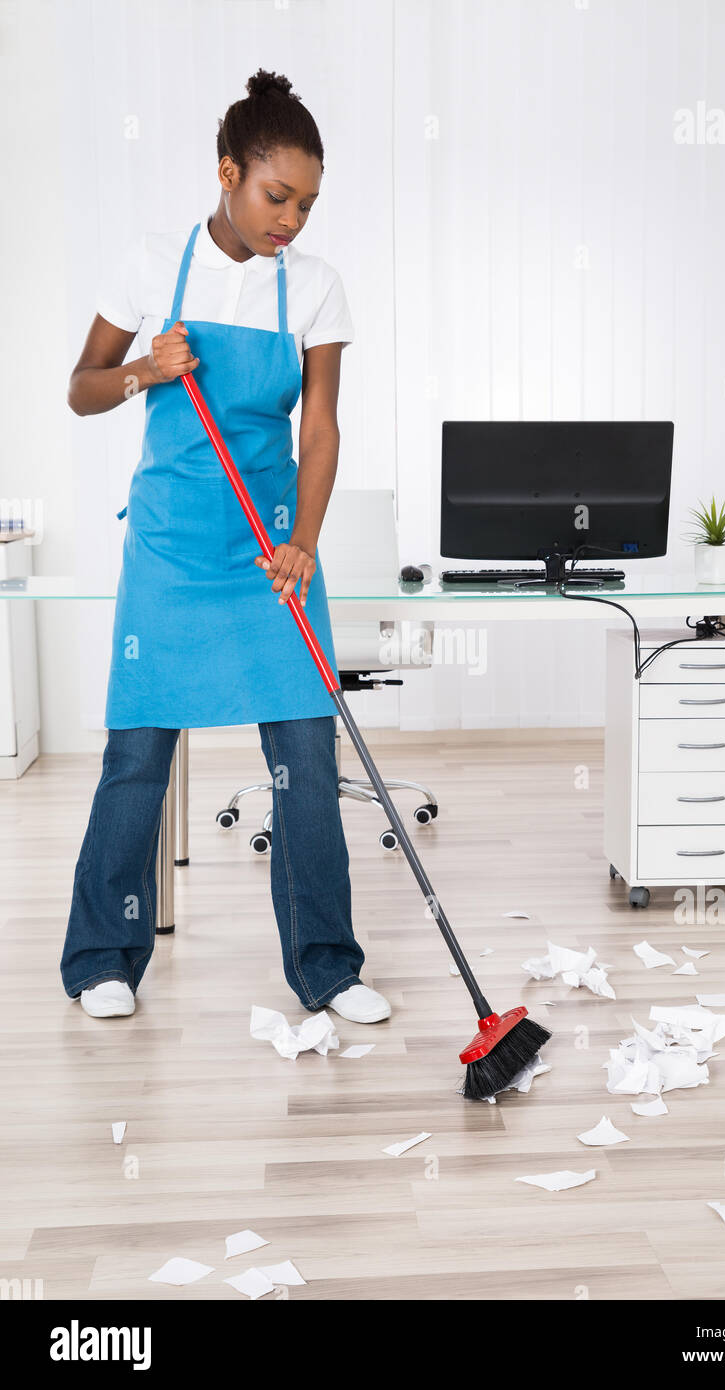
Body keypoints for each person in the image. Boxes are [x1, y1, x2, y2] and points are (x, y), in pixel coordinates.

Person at [60, 69, 390, 1027]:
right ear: (227, 172)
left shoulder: (316, 288)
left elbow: (320, 429)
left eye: (307, 203)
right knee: (138, 757)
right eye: (275, 195)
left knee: (302, 750)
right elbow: (79, 387)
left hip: (268, 553)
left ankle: (327, 967)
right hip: (168, 548)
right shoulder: (152, 263)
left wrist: (304, 541)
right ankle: (102, 958)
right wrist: (140, 370)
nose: (291, 218)